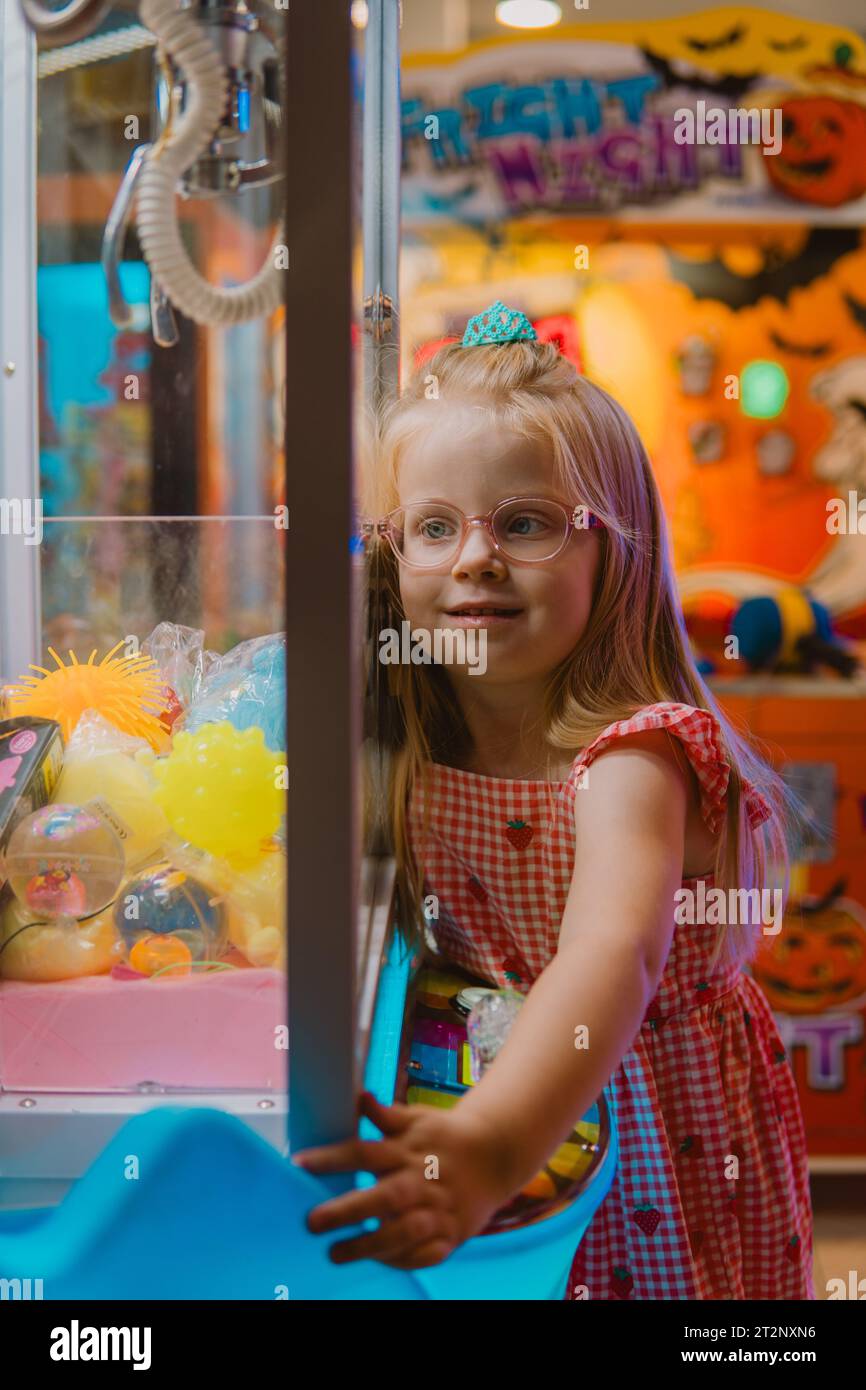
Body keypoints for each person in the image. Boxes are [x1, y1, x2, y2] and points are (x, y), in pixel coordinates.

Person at [294, 301, 815, 1300]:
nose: (474, 557)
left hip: (632, 1120)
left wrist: (491, 1147)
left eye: (525, 523)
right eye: (433, 528)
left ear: (610, 554)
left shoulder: (633, 758)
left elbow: (607, 954)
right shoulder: (404, 737)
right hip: (476, 1101)